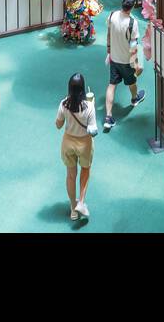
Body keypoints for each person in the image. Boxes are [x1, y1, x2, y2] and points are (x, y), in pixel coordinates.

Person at [55, 72, 97, 222]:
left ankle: (73, 208)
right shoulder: (89, 106)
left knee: (70, 175)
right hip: (84, 143)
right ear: (83, 88)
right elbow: (92, 130)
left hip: (68, 143)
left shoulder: (63, 104)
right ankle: (81, 201)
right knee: (85, 170)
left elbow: (58, 125)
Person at [103, 0, 145, 132]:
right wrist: (137, 64)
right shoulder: (133, 23)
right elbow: (134, 47)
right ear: (132, 7)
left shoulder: (112, 15)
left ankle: (108, 117)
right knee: (132, 82)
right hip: (126, 61)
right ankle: (134, 98)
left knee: (112, 85)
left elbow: (108, 34)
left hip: (114, 58)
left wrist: (109, 51)